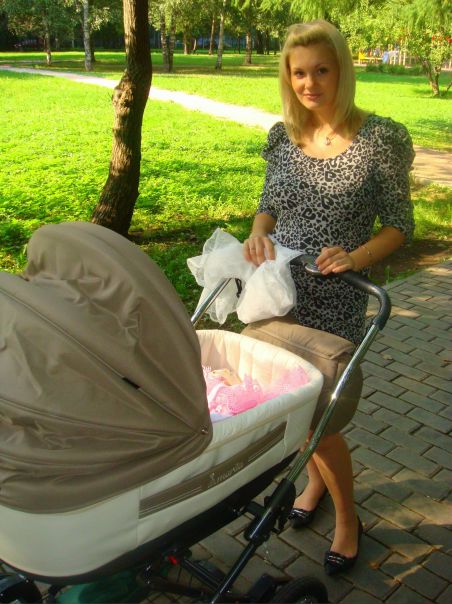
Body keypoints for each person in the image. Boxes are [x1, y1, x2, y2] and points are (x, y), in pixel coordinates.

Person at [242, 20, 414, 575]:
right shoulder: (284, 135)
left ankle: (347, 517)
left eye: (321, 70)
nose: (309, 83)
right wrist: (258, 233)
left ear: (342, 71)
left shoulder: (380, 139)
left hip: (337, 297)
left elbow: (400, 225)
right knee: (289, 403)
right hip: (279, 291)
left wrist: (356, 257)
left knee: (322, 419)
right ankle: (313, 484)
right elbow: (269, 204)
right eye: (298, 73)